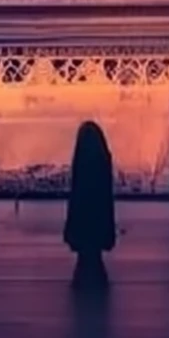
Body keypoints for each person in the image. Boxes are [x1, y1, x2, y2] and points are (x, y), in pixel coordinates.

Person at [64, 121, 117, 290]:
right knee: (95, 260)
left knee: (84, 261)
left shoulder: (81, 162)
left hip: (83, 219)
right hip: (98, 219)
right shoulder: (103, 160)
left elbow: (76, 193)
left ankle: (84, 285)